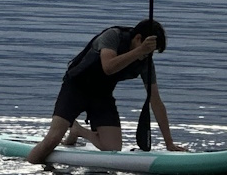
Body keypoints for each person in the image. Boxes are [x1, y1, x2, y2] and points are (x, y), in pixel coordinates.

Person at [27, 19, 186, 164]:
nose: (147, 56)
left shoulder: (145, 63)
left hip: (102, 95)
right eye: (148, 50)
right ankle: (29, 168)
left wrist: (169, 143)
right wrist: (139, 52)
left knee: (113, 148)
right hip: (75, 88)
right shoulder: (113, 36)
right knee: (53, 139)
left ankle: (78, 130)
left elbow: (155, 100)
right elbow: (108, 67)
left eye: (151, 52)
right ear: (138, 39)